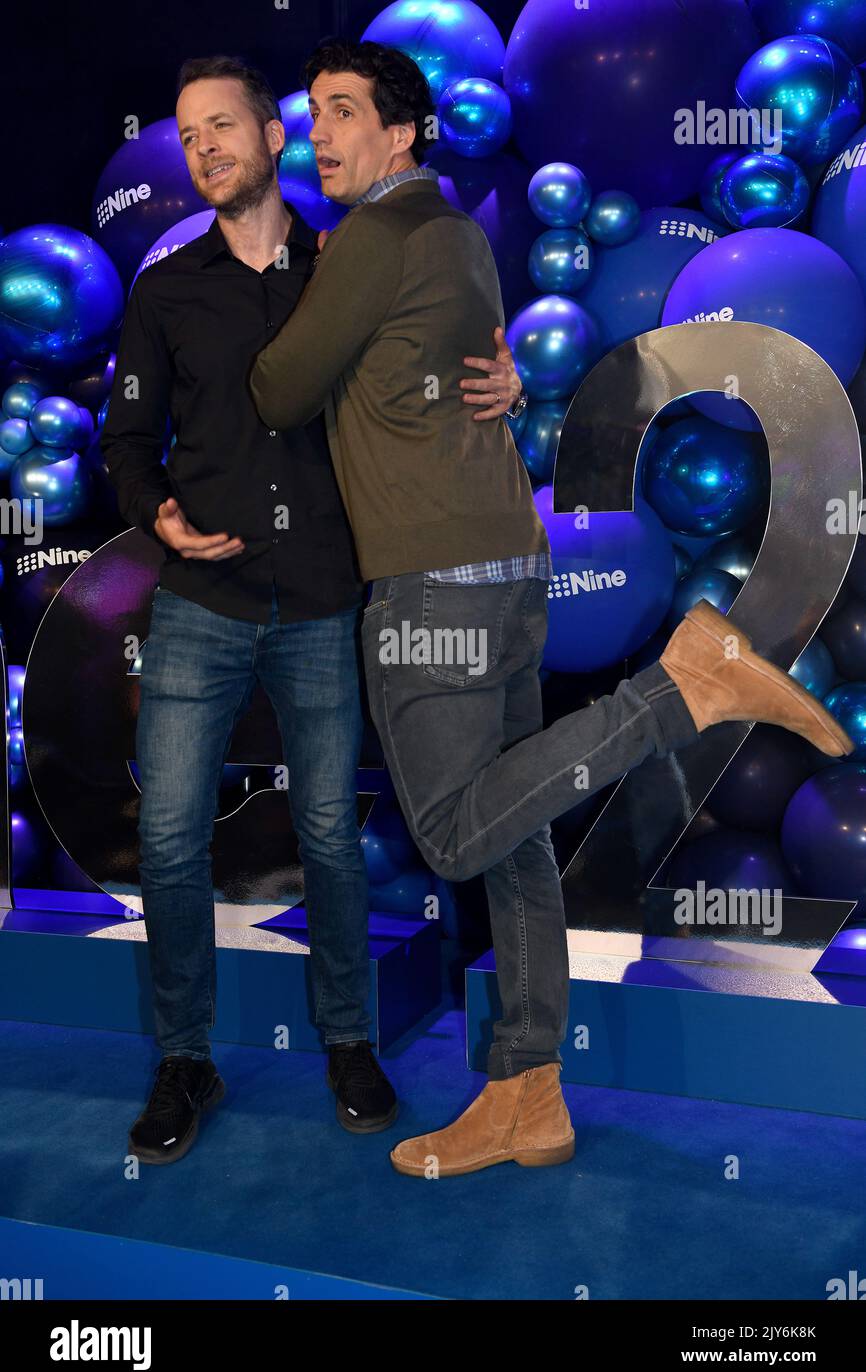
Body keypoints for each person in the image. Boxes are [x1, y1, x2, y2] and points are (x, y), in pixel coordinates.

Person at [250, 38, 853, 1180]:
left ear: (401, 133)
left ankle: (680, 686)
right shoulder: (452, 232)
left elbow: (278, 384)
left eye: (341, 112)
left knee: (449, 831)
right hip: (501, 563)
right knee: (514, 834)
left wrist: (299, 276)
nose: (317, 133)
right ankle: (527, 1097)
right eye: (311, 111)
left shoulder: (373, 236)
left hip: (435, 575)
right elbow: (440, 370)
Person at [101, 52, 522, 1165]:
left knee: (333, 834)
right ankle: (183, 1058)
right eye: (188, 136)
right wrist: (161, 519)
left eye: (222, 128)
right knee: (170, 833)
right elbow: (126, 444)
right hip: (198, 601)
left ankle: (347, 1040)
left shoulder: (345, 263)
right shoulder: (163, 290)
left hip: (328, 598)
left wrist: (501, 373)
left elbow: (444, 353)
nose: (203, 150)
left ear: (271, 139)